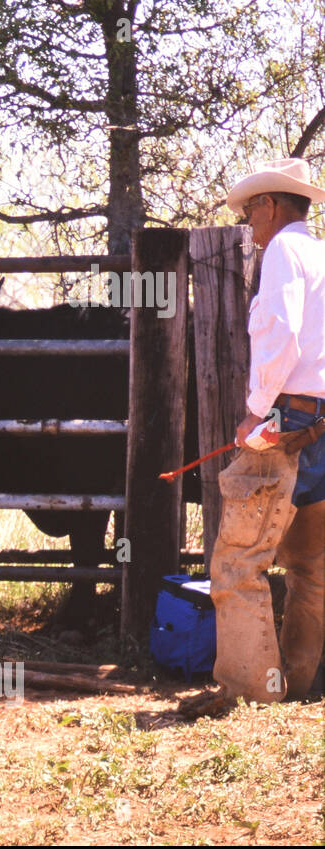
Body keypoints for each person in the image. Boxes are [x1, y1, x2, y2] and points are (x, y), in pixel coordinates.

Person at [198, 158, 325, 716]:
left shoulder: (281, 253)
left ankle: (251, 691)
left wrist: (255, 414)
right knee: (312, 566)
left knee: (237, 562)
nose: (250, 223)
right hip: (321, 425)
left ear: (272, 205)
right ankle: (300, 682)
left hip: (285, 422)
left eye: (252, 210)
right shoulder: (320, 254)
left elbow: (279, 333)